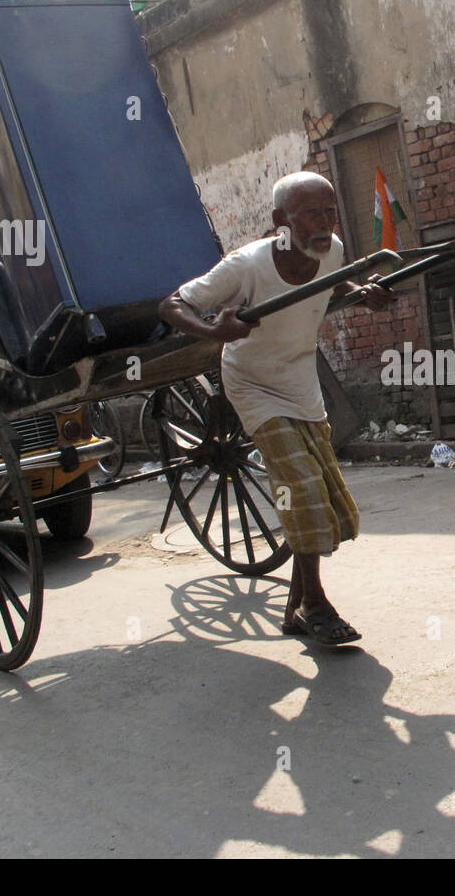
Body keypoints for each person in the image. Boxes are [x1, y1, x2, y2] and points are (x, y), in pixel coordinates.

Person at [159, 172, 393, 646]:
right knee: (302, 490)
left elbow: (333, 288)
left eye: (329, 211)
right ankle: (315, 605)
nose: (324, 223)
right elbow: (173, 304)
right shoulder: (246, 267)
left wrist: (363, 296)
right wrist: (213, 332)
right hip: (254, 384)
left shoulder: (333, 251)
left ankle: (296, 609)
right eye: (311, 213)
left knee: (326, 497)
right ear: (279, 221)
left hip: (300, 379)